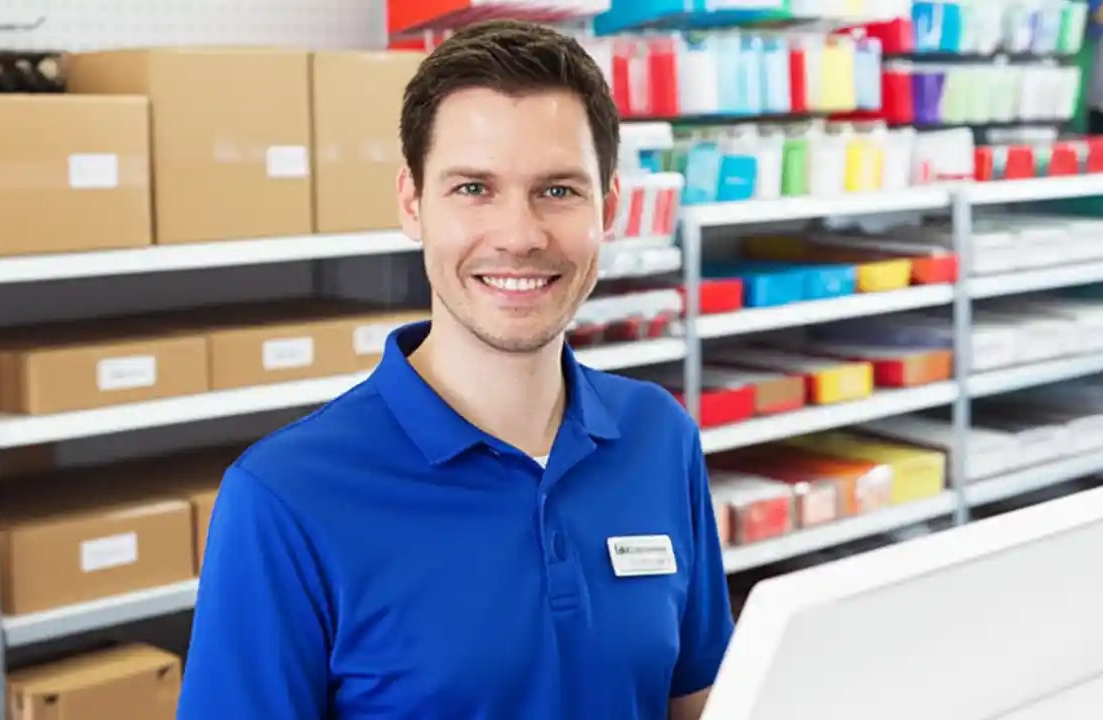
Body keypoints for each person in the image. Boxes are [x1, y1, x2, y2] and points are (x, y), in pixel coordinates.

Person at [177, 19, 733, 720]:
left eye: (558, 190)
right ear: (413, 205)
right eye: (474, 188)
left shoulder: (659, 439)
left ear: (609, 208)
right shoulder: (285, 499)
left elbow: (697, 699)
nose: (520, 236)